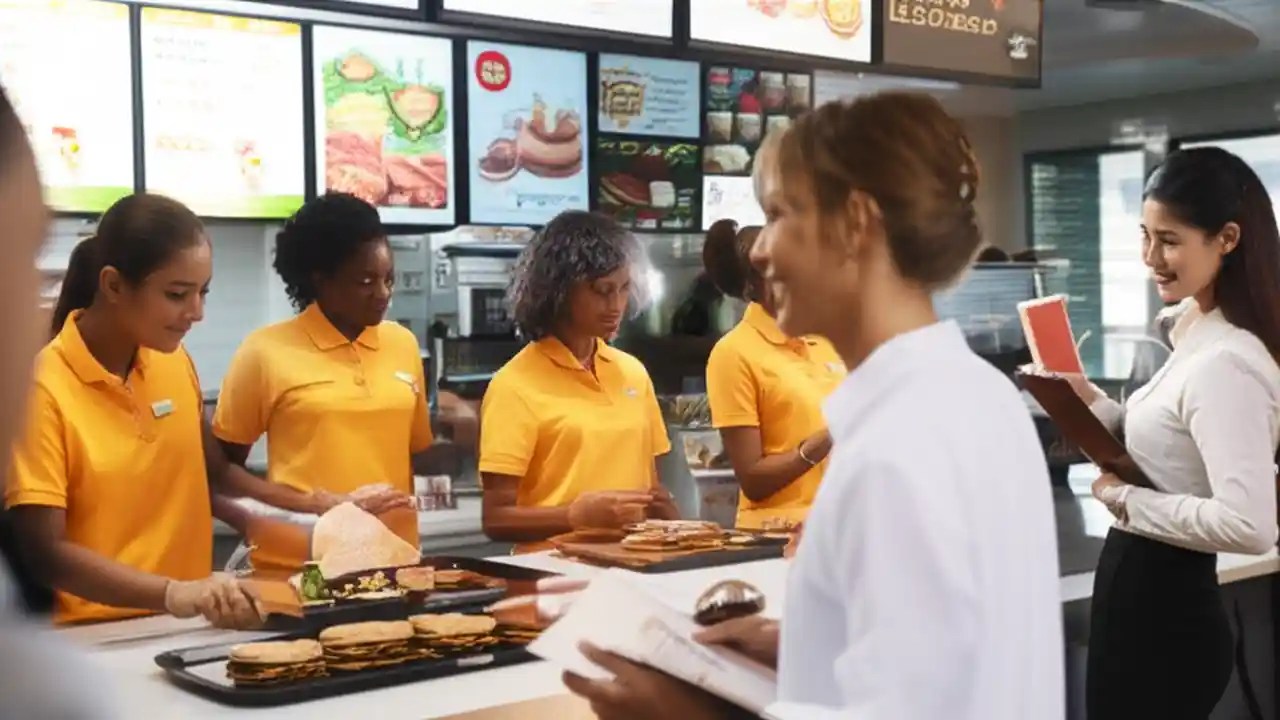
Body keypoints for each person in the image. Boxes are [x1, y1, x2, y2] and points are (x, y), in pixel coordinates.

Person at [565, 93, 1064, 719]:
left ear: (854, 225)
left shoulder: (897, 447)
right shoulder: (979, 396)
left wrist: (690, 713)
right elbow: (951, 659)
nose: (760, 252)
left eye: (780, 215)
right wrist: (804, 647)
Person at [5, 191, 331, 627]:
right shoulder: (41, 388)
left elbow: (208, 474)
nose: (196, 312)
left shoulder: (173, 361)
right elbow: (47, 554)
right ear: (114, 286)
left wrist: (283, 515)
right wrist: (173, 593)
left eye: (203, 292)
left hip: (192, 622)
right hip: (98, 636)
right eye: (178, 294)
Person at [1069, 147, 1280, 720]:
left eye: (1169, 240)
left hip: (1166, 620)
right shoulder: (1196, 335)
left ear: (1228, 238)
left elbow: (1250, 524)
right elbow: (1171, 449)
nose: (1150, 258)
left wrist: (1125, 499)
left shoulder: (1227, 361)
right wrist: (1088, 402)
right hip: (1138, 602)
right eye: (1144, 235)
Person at [213, 193, 434, 551]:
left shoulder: (403, 344)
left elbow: (415, 451)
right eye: (365, 282)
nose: (382, 294)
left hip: (396, 556)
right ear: (321, 280)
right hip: (306, 556)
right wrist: (314, 503)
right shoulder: (265, 351)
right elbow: (223, 473)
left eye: (388, 279)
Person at [0, 80, 120, 719]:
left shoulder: (174, 370)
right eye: (26, 255)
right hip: (96, 635)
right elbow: (45, 545)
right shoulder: (39, 692)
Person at [478, 211, 678, 545]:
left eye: (624, 288)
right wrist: (574, 517)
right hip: (554, 576)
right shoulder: (515, 385)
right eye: (602, 291)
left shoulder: (633, 373)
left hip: (632, 568)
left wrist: (671, 519)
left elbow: (650, 490)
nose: (616, 305)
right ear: (559, 291)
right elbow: (496, 518)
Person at [701, 218, 844, 529]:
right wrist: (825, 438)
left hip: (840, 529)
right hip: (776, 537)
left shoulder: (824, 340)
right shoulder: (734, 353)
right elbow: (753, 480)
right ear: (757, 284)